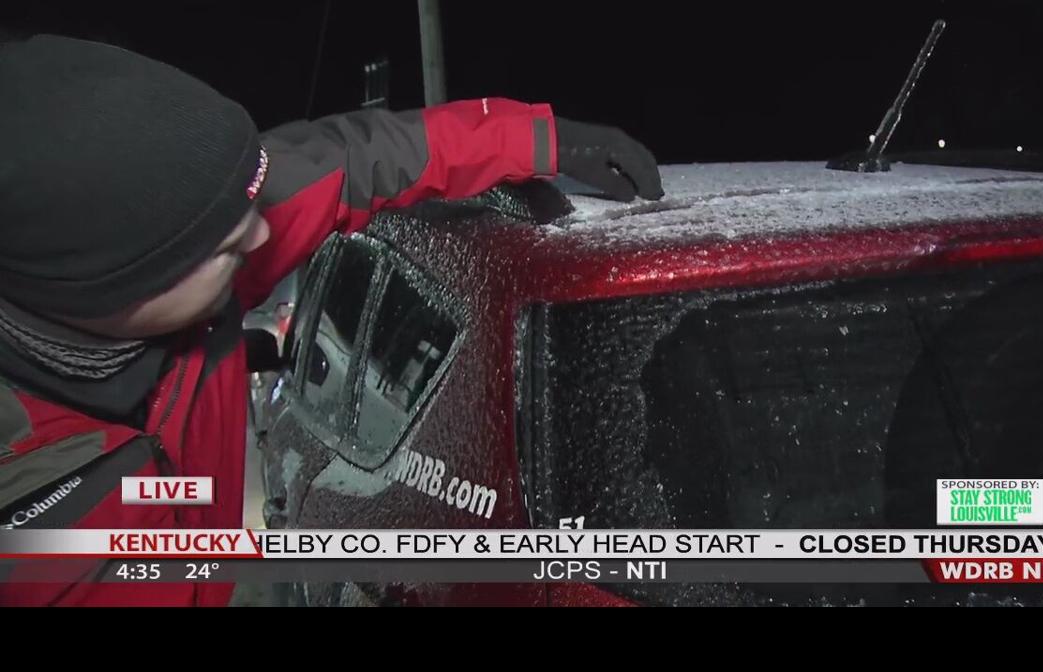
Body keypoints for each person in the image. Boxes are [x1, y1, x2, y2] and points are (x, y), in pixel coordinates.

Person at [0, 34, 663, 606]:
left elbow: (350, 161)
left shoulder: (182, 242)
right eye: (224, 244)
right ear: (117, 286)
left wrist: (534, 138)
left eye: (247, 202)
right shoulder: (35, 515)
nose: (263, 237)